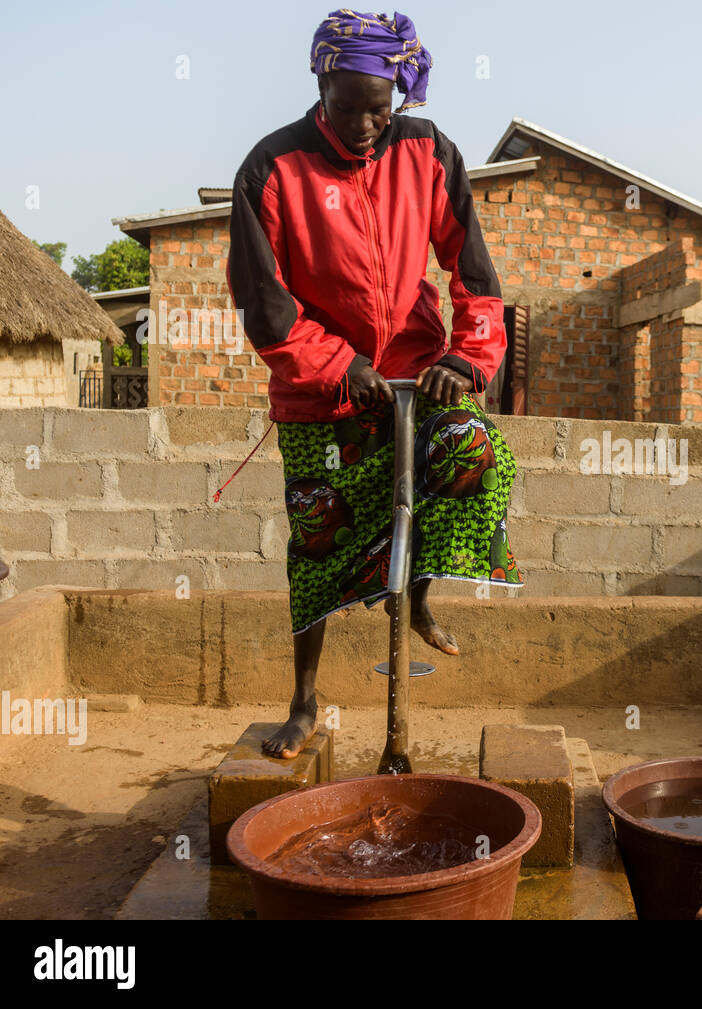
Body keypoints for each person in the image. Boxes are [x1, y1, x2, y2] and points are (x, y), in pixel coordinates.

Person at [225, 9, 525, 760]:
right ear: (320, 84)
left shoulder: (428, 152)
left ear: (398, 97)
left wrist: (468, 358)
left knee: (475, 457)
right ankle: (302, 700)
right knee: (319, 539)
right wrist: (336, 366)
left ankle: (418, 599)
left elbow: (475, 275)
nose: (364, 125)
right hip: (320, 390)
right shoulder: (272, 169)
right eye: (347, 106)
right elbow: (265, 306)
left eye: (379, 110)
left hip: (417, 377)